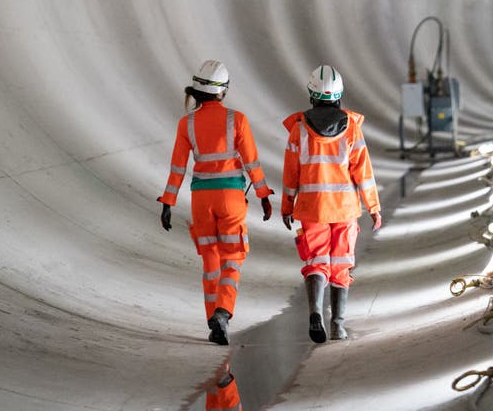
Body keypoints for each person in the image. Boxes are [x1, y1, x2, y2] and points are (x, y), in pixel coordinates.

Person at [159, 60, 274, 345]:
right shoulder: (238, 120)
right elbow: (251, 163)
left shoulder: (187, 124)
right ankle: (223, 311)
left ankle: (213, 322)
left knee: (210, 262)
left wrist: (168, 202)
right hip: (231, 198)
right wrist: (262, 195)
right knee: (232, 259)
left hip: (201, 199)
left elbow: (178, 167)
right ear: (223, 91)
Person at [281, 65, 382, 343]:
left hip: (312, 208)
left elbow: (291, 173)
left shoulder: (299, 130)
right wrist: (373, 207)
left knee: (316, 262)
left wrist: (287, 205)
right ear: (339, 95)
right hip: (345, 209)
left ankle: (315, 312)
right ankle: (337, 324)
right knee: (341, 265)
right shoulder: (351, 129)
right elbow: (363, 171)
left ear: (311, 94)